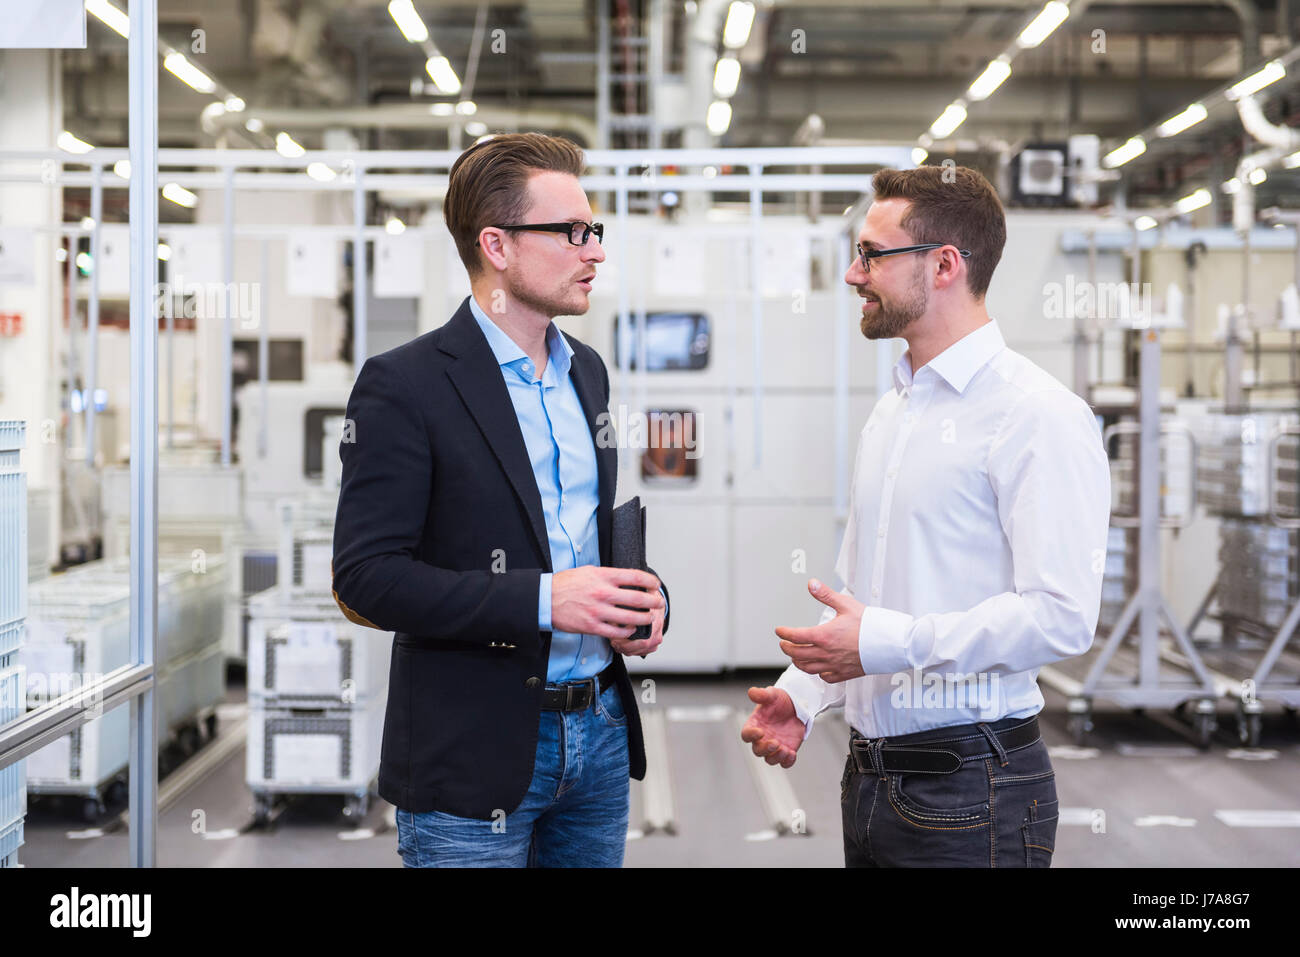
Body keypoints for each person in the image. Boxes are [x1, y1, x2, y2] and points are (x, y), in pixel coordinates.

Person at [741, 164, 1110, 867]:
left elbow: (1062, 613)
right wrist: (804, 690)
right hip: (874, 778)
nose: (853, 274)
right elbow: (864, 599)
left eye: (871, 254)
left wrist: (888, 643)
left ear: (944, 265)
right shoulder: (896, 408)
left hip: (976, 788)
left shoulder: (1036, 415)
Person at [331, 132, 668, 868]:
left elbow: (581, 538)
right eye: (572, 233)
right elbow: (366, 577)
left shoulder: (589, 373)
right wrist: (546, 601)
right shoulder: (406, 386)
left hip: (600, 736)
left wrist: (643, 598)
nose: (595, 251)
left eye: (595, 231)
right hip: (472, 749)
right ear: (498, 246)